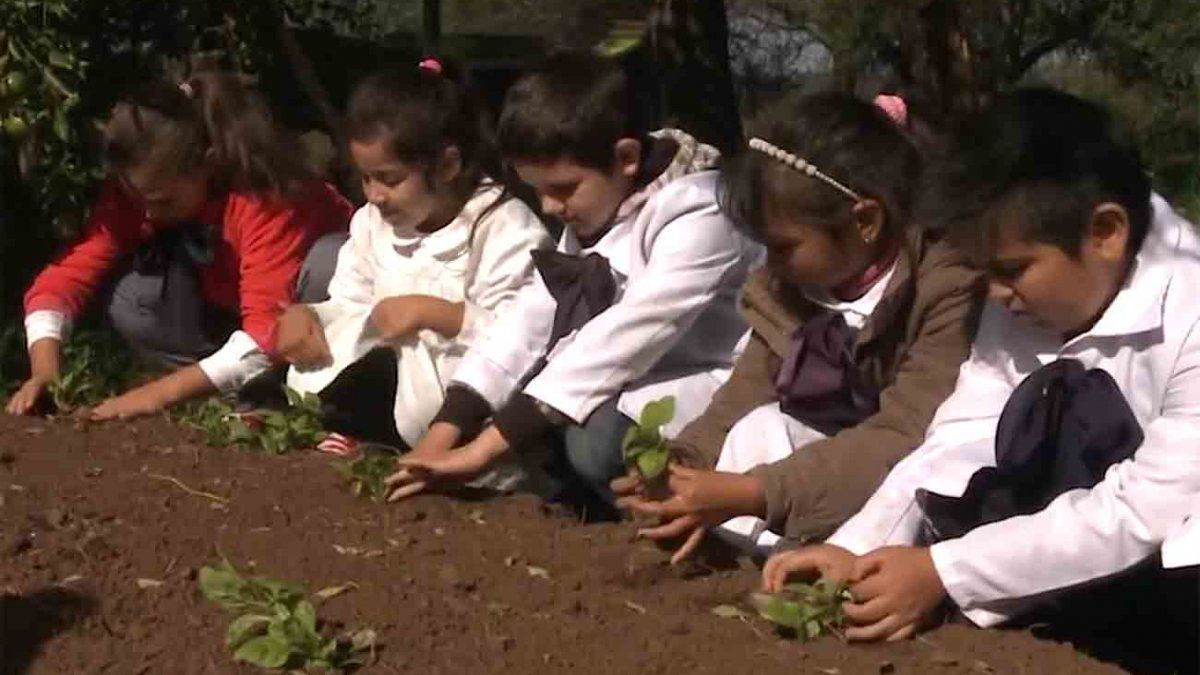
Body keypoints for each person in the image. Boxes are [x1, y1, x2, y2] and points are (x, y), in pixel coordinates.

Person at [764, 90, 1200, 659]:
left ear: (1106, 232)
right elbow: (965, 429)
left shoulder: (1192, 315)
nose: (993, 295)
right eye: (984, 272)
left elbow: (1143, 510)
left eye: (1012, 271)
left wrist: (944, 572)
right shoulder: (1028, 291)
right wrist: (861, 547)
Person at [613, 92, 984, 563]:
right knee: (756, 426)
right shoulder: (790, 285)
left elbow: (902, 435)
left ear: (866, 220)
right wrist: (683, 463)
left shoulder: (944, 286)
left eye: (785, 246)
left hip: (914, 487)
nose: (772, 261)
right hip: (824, 470)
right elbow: (744, 392)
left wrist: (754, 493)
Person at [385, 52, 758, 515]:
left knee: (594, 439)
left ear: (625, 158)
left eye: (561, 189)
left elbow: (627, 336)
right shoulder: (602, 201)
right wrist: (444, 432)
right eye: (537, 189)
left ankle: (672, 519)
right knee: (557, 413)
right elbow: (530, 318)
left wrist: (481, 450)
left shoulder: (702, 210)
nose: (548, 206)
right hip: (632, 374)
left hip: (719, 383)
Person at [7, 71, 353, 419]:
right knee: (134, 299)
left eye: (162, 202)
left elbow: (267, 332)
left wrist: (152, 396)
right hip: (234, 309)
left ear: (209, 163)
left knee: (329, 262)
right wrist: (45, 373)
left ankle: (315, 392)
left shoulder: (267, 196)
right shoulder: (146, 185)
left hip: (313, 313)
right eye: (139, 200)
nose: (148, 214)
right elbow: (65, 277)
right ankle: (232, 385)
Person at [276, 61, 553, 452]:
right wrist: (309, 316)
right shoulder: (371, 221)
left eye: (389, 179)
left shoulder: (504, 230)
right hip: (382, 372)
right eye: (366, 178)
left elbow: (528, 339)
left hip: (463, 406)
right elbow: (349, 303)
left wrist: (440, 314)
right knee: (320, 368)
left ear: (447, 166)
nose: (374, 194)